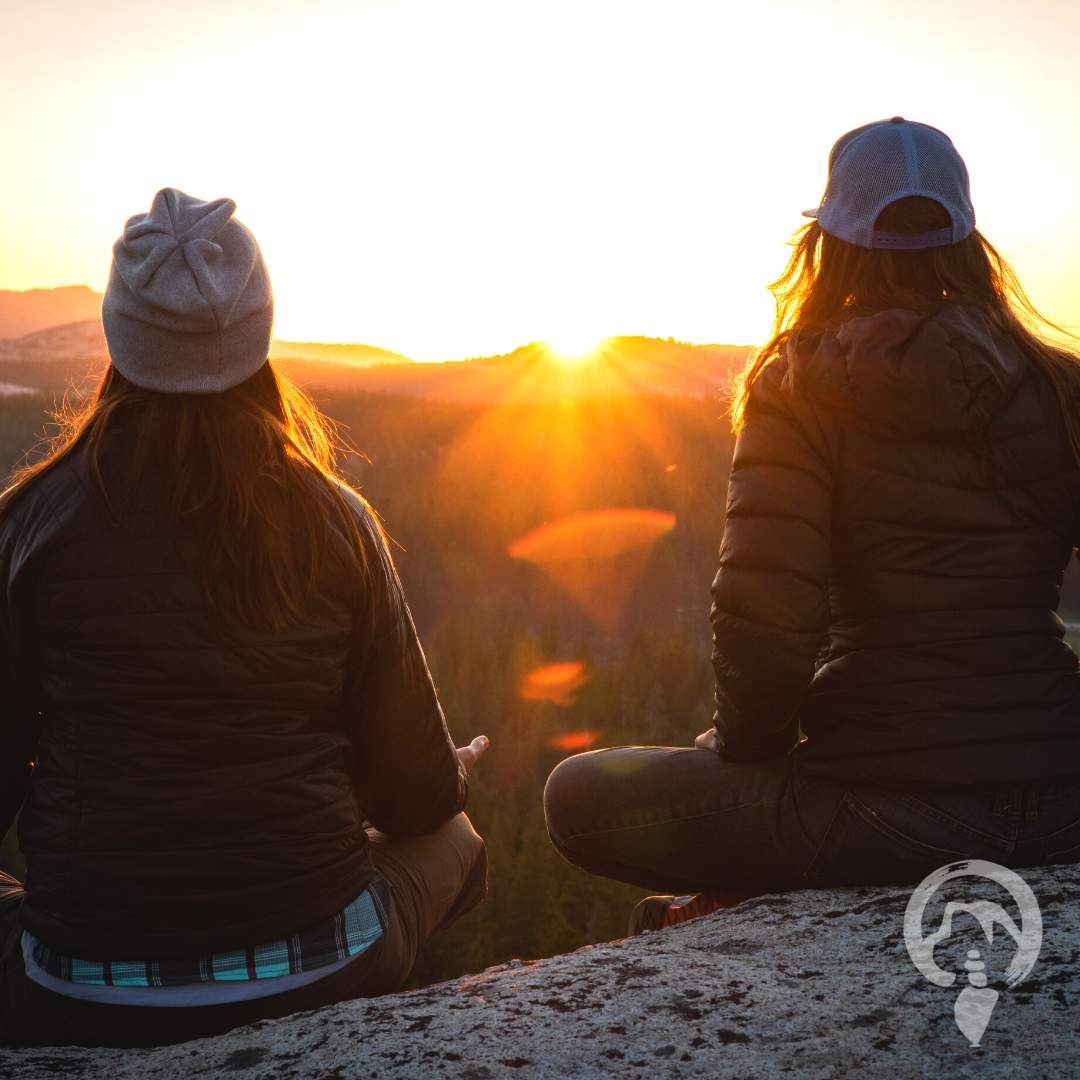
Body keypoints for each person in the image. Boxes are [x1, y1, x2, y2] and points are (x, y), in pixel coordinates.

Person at [543, 117, 1080, 935]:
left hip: (883, 807)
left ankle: (741, 895)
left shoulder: (801, 382)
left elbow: (767, 608)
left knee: (577, 799)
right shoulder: (1059, 383)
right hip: (1064, 799)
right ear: (969, 239)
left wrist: (748, 749)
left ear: (827, 241)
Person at [0, 188, 489, 1048]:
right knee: (458, 839)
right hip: (325, 965)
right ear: (257, 336)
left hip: (81, 991)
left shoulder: (30, 525)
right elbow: (418, 800)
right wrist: (436, 776)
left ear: (120, 336)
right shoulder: (338, 521)